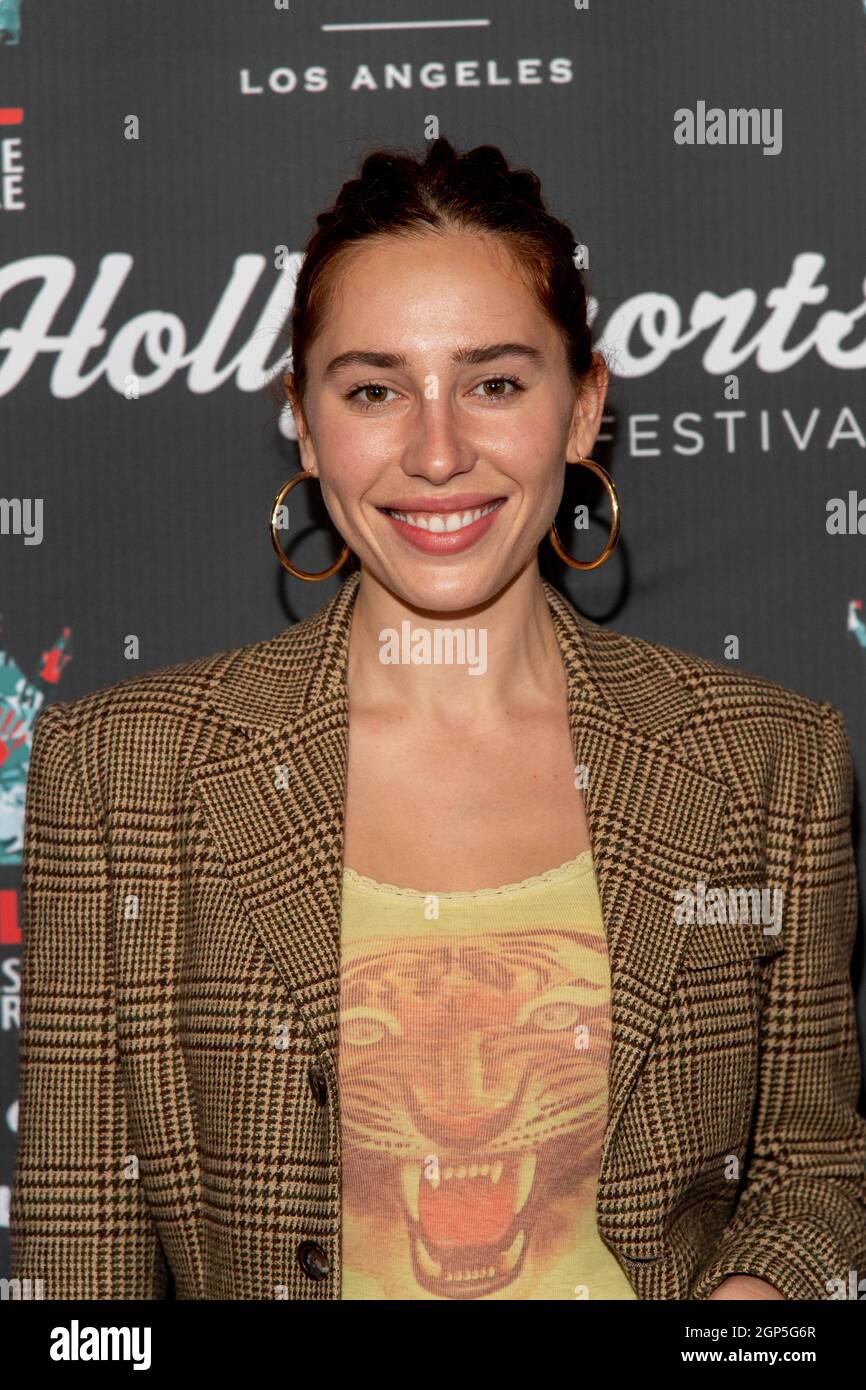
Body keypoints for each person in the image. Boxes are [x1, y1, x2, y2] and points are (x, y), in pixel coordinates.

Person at [10, 137, 866, 1300]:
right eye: (373, 390)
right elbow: (77, 1266)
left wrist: (750, 1317)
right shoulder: (122, 773)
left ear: (583, 410)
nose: (436, 450)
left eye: (494, 383)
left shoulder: (769, 761)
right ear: (304, 427)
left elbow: (812, 1164)